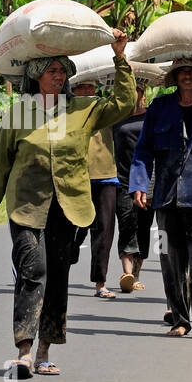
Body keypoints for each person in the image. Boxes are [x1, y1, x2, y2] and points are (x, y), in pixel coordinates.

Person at [0, 30, 134, 378]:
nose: (58, 78)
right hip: (26, 208)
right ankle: (24, 350)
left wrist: (120, 58)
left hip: (69, 207)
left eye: (63, 72)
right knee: (33, 271)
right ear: (36, 76)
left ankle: (45, 350)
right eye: (51, 71)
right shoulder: (19, 114)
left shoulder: (82, 109)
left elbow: (122, 104)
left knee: (58, 277)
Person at [129, 61, 192, 339]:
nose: (187, 75)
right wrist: (139, 184)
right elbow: (143, 151)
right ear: (174, 77)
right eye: (182, 71)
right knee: (169, 261)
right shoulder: (160, 108)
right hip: (165, 199)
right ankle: (180, 319)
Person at [71, 79, 120, 299]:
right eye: (81, 87)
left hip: (106, 176)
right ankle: (68, 255)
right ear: (72, 90)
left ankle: (100, 282)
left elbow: (124, 103)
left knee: (104, 231)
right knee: (74, 228)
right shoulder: (65, 111)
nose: (86, 91)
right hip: (76, 177)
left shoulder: (105, 108)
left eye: (90, 86)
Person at [111, 81, 154, 294]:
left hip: (147, 179)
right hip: (122, 179)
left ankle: (136, 273)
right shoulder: (113, 117)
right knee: (127, 223)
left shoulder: (151, 117)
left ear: (142, 94)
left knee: (143, 226)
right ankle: (127, 273)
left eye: (135, 90)